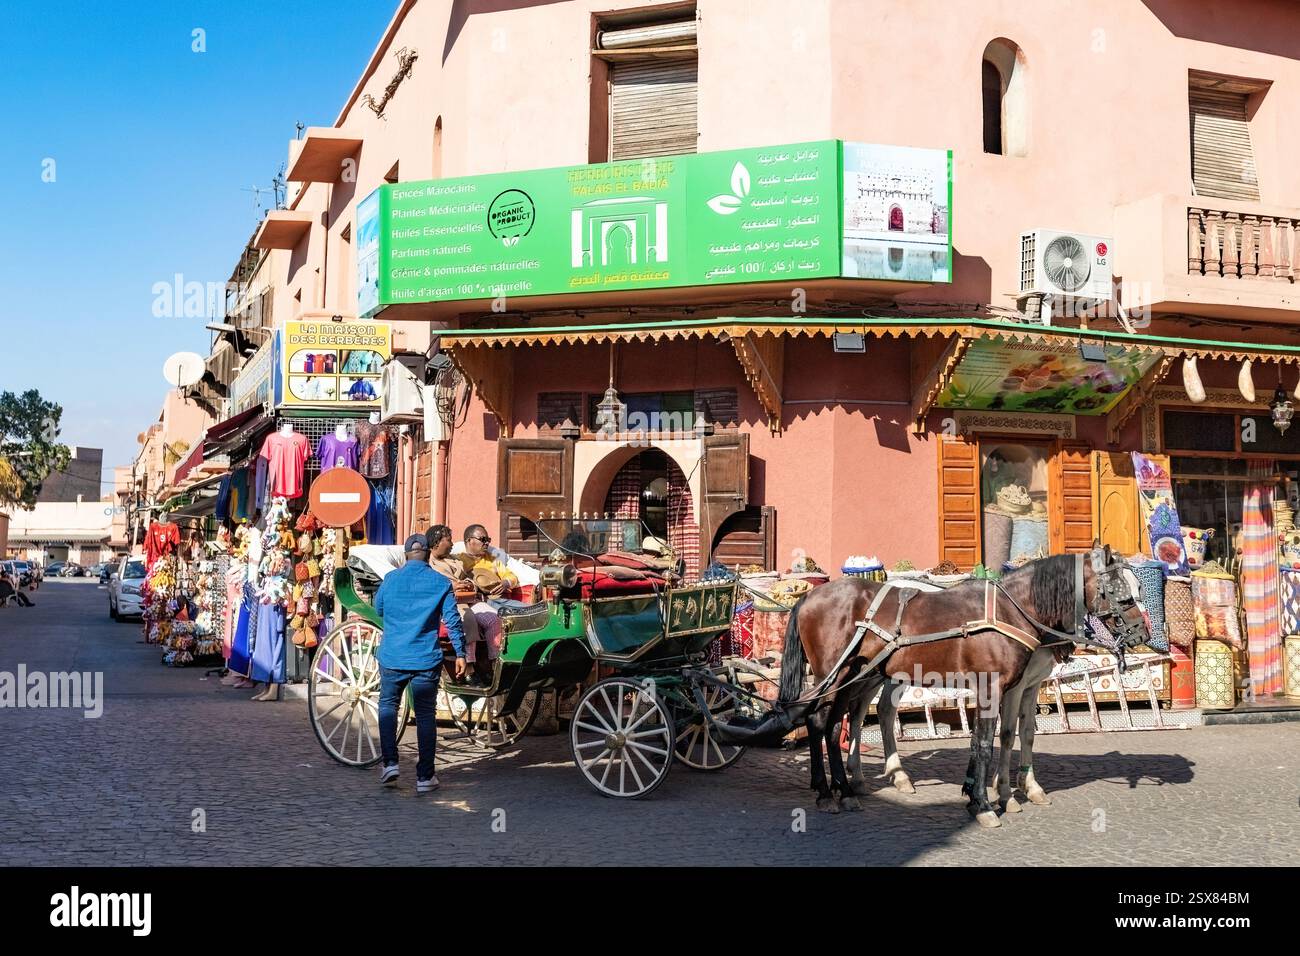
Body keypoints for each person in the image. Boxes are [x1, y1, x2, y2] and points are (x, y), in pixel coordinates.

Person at [373, 533, 467, 792]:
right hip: (425, 658)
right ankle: (425, 777)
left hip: (392, 656)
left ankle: (390, 762)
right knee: (426, 714)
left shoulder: (391, 579)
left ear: (405, 555)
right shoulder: (440, 582)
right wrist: (460, 653)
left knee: (388, 706)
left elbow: (378, 608)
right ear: (428, 554)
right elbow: (452, 620)